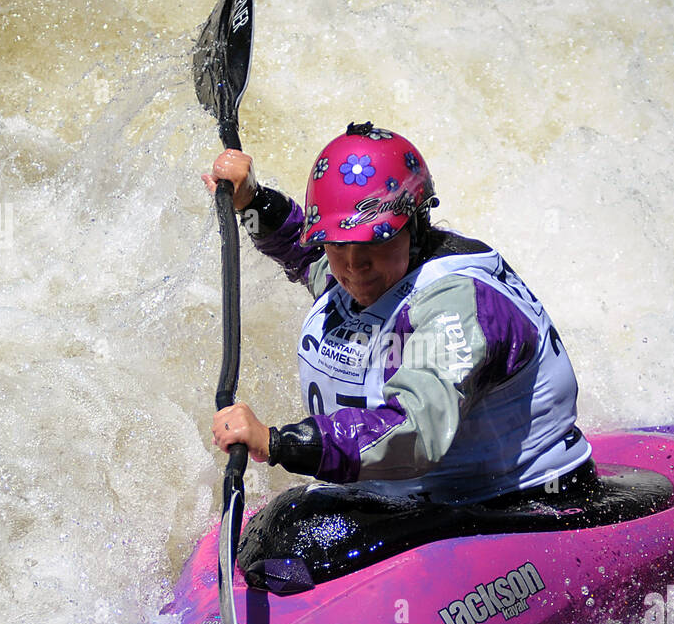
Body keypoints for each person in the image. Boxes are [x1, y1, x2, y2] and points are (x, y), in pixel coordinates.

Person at [202, 121, 594, 506]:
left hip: (526, 497)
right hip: (435, 492)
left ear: (416, 226)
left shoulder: (453, 307)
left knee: (302, 537)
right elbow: (301, 249)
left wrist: (279, 442)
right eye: (337, 244)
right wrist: (251, 200)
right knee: (290, 525)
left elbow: (415, 428)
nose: (354, 266)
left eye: (375, 241)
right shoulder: (371, 276)